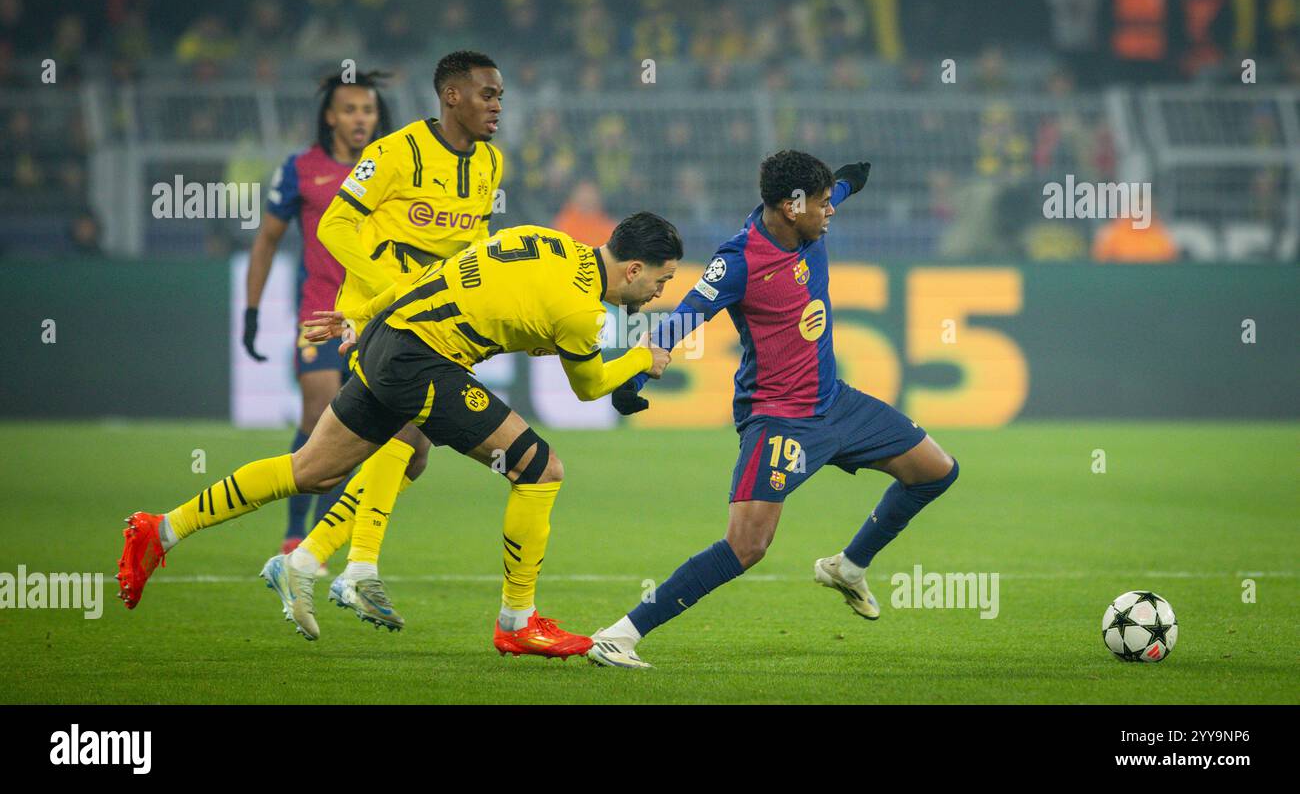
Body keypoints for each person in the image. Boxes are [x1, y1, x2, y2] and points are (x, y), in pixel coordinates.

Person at [117, 215, 682, 658]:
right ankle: (518, 621)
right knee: (540, 470)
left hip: (389, 338)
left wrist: (359, 316)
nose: (660, 292)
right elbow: (588, 387)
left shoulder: (544, 241)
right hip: (424, 362)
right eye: (662, 279)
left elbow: (439, 273)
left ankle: (162, 529)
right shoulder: (583, 312)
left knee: (313, 470)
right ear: (633, 269)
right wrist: (641, 356)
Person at [588, 152, 959, 669]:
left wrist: (850, 180)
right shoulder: (738, 261)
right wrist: (631, 374)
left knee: (936, 472)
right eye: (823, 204)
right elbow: (684, 317)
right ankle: (619, 635)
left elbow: (842, 191)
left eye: (832, 201)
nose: (831, 212)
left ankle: (848, 566)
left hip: (836, 402)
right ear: (791, 206)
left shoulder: (806, 222)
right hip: (779, 417)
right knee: (747, 546)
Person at [282, 51, 506, 633]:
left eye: (501, 95)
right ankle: (355, 567)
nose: (498, 105)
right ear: (452, 96)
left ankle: (305, 558)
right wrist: (393, 290)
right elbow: (334, 225)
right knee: (402, 430)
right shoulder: (394, 152)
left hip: (433, 321)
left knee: (407, 453)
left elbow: (474, 240)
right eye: (487, 94)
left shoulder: (489, 164)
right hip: (382, 317)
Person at [243, 70, 391, 565]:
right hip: (320, 311)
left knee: (353, 429)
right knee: (318, 414)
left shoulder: (391, 167)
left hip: (372, 315)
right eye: (350, 110)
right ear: (330, 116)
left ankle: (316, 544)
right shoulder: (301, 168)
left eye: (367, 110)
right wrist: (252, 308)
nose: (360, 119)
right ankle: (292, 532)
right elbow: (266, 239)